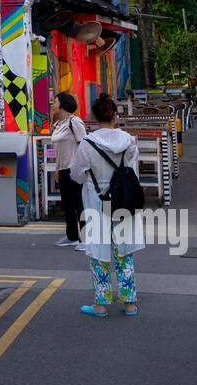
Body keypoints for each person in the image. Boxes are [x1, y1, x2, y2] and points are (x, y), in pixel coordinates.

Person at [70, 93, 144, 318]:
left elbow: (76, 174)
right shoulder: (128, 140)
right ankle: (129, 303)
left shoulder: (87, 143)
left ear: (94, 116)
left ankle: (101, 305)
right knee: (124, 253)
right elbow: (131, 166)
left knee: (99, 252)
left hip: (96, 201)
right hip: (123, 201)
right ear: (115, 115)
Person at [51, 91, 86, 248]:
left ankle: (86, 239)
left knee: (80, 204)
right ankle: (72, 236)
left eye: (55, 102)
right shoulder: (58, 124)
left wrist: (81, 168)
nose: (53, 104)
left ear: (63, 105)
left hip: (75, 169)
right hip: (63, 170)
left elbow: (84, 146)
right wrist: (57, 168)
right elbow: (58, 148)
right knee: (68, 204)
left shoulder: (75, 122)